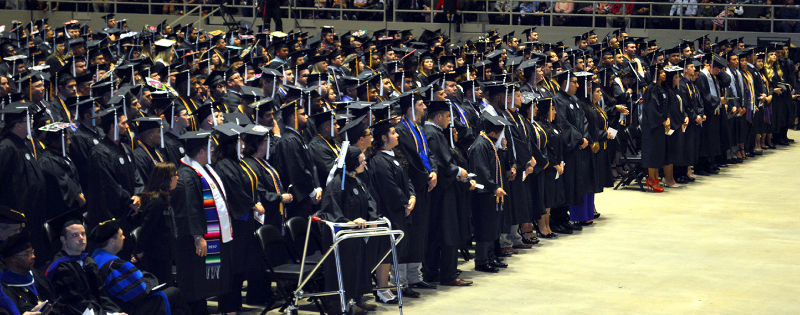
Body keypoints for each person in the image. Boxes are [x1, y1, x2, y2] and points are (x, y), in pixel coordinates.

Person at [317, 146, 379, 315]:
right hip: (342, 238)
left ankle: (357, 299)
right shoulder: (337, 184)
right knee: (346, 269)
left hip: (358, 235)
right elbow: (331, 211)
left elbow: (369, 201)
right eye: (361, 160)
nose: (365, 162)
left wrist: (373, 220)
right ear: (352, 163)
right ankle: (342, 304)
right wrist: (350, 222)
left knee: (360, 265)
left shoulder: (357, 180)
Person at [89, 219, 190, 315]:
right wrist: (148, 279)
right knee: (174, 293)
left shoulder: (94, 259)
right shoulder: (114, 264)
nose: (124, 237)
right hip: (127, 310)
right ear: (112, 241)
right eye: (121, 235)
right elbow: (140, 291)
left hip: (110, 308)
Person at [44, 211, 126, 315]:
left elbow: (101, 295)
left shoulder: (88, 262)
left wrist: (116, 312)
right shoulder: (60, 268)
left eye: (83, 234)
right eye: (74, 235)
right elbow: (76, 303)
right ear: (63, 239)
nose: (81, 238)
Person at [469, 113, 511, 273]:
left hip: (490, 194)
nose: (500, 136)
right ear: (493, 133)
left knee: (492, 227)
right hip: (483, 194)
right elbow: (481, 170)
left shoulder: (488, 143)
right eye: (500, 133)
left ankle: (491, 257)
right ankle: (482, 261)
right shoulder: (481, 145)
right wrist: (494, 186)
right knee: (484, 228)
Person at [135, 162, 179, 288]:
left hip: (165, 253)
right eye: (175, 175)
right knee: (162, 287)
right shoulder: (156, 201)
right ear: (167, 178)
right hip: (157, 254)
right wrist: (138, 250)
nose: (177, 178)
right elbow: (147, 228)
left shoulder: (164, 199)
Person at [0, 233, 57, 315]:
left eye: (32, 252)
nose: (33, 256)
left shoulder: (36, 275)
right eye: (27, 254)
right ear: (13, 259)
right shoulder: (4, 287)